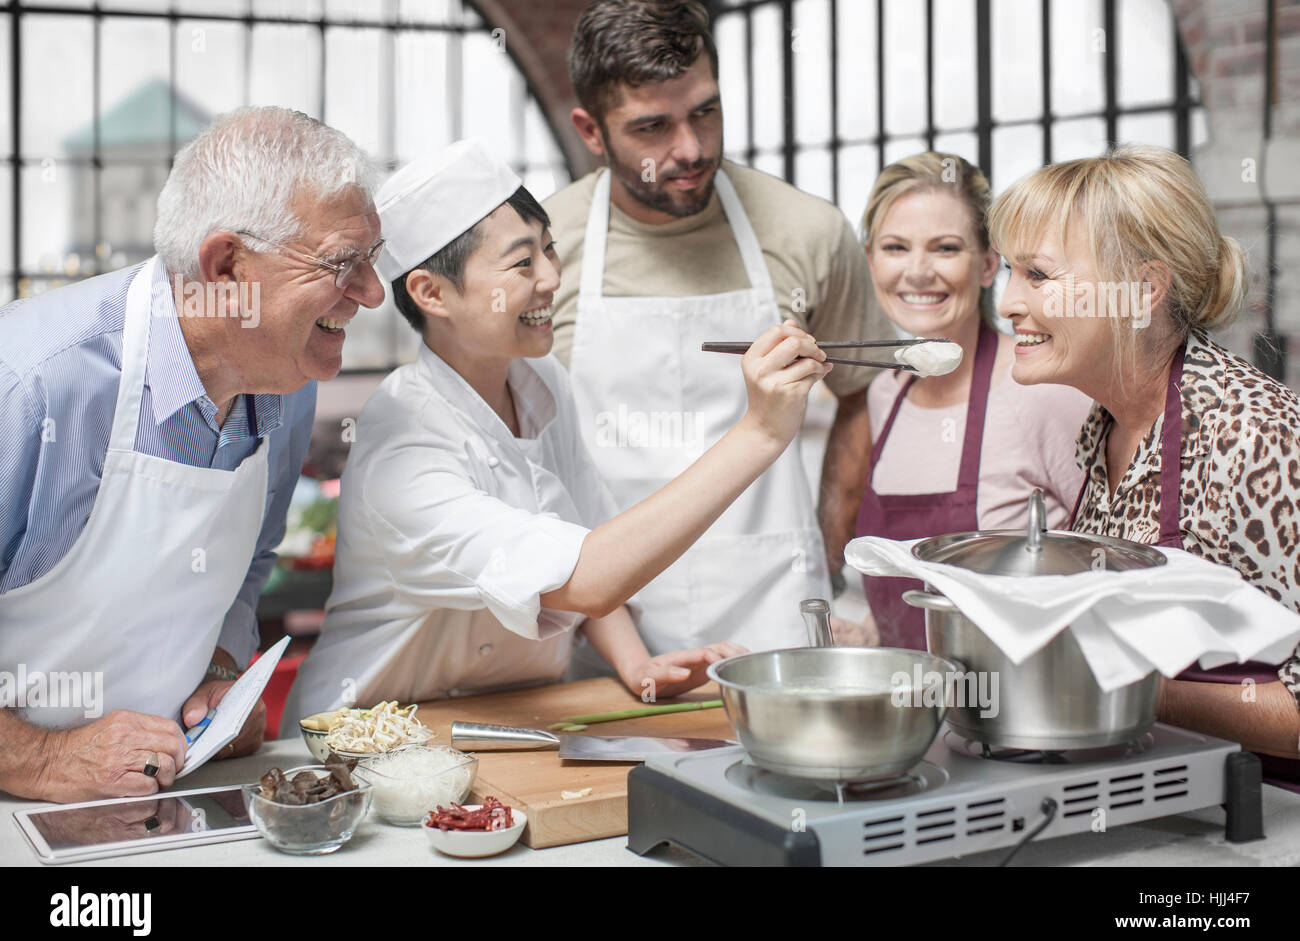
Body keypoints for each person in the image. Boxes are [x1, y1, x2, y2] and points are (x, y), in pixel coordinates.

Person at [288, 141, 827, 719]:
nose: (550, 278)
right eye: (522, 263)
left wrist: (637, 666)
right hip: (367, 736)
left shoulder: (540, 379)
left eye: (549, 249)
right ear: (431, 293)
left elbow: (584, 531)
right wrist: (760, 434)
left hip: (508, 716)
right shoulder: (405, 449)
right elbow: (588, 577)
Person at [0, 107, 384, 803]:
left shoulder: (285, 380)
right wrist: (42, 759)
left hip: (165, 801)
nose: (372, 293)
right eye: (341, 265)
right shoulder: (30, 384)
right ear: (226, 265)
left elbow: (244, 569)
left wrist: (221, 671)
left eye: (373, 260)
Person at [543, 0, 893, 667]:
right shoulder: (544, 252)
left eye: (705, 111)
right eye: (653, 127)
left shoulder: (805, 231)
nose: (692, 149)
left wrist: (826, 542)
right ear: (591, 131)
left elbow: (861, 394)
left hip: (771, 611)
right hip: (606, 628)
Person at [988, 144, 1300, 781]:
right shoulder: (1103, 426)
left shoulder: (1252, 436)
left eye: (1039, 276)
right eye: (1009, 273)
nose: (1008, 303)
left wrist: (1121, 682)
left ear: (1143, 289)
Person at [844, 153, 1093, 649]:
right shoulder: (885, 393)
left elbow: (1110, 566)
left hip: (1018, 707)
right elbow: (910, 590)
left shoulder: (1043, 391)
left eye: (945, 248)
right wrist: (869, 635)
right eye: (895, 247)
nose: (917, 272)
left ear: (986, 265)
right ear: (871, 260)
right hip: (908, 713)